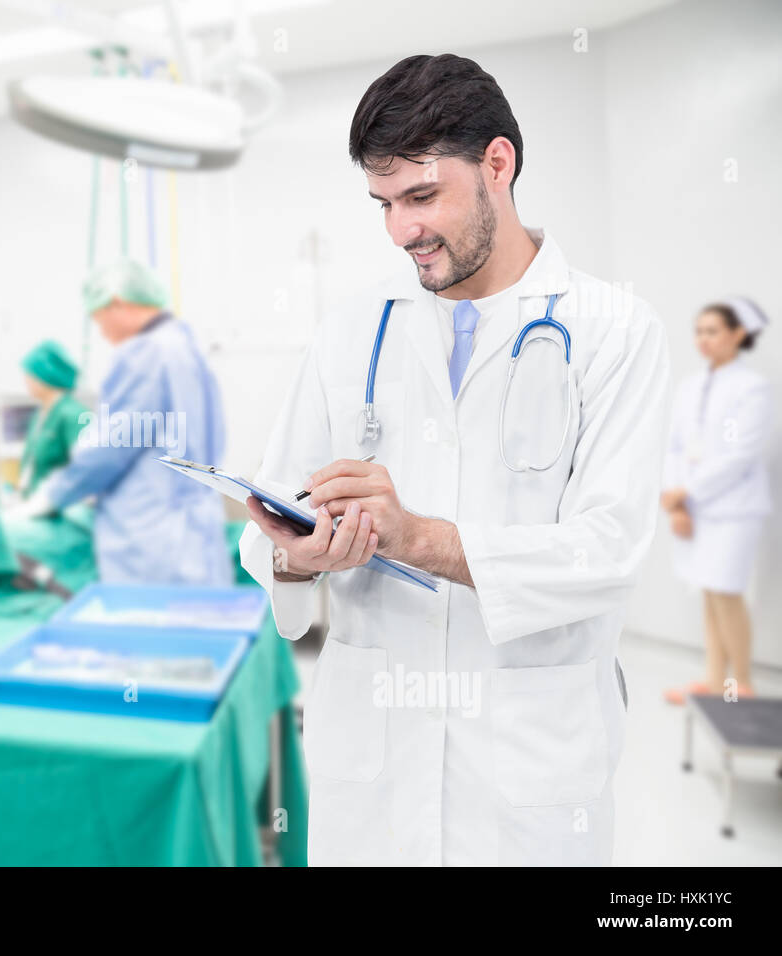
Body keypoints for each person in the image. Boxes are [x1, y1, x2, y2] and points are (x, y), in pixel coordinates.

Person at [239, 54, 670, 866]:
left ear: (497, 165)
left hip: (529, 771)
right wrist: (296, 559)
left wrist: (416, 537)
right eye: (385, 204)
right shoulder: (350, 333)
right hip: (372, 761)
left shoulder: (615, 331)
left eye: (422, 196)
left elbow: (607, 550)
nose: (402, 229)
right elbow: (273, 526)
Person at [20, 258, 231, 586]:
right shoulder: (188, 350)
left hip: (149, 533)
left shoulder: (145, 355)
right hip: (195, 525)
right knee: (193, 622)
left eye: (99, 319)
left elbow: (109, 449)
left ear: (117, 303)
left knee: (151, 627)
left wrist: (54, 494)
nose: (102, 332)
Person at [660, 299, 771, 705]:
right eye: (699, 331)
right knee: (708, 590)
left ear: (738, 334)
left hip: (734, 508)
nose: (703, 340)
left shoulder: (752, 387)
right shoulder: (690, 386)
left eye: (713, 331)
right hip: (694, 508)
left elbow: (738, 455)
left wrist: (687, 494)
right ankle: (714, 681)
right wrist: (675, 502)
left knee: (726, 591)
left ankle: (740, 683)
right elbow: (673, 446)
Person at [17, 340, 88, 497]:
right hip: (33, 503)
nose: (26, 380)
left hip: (61, 510)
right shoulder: (39, 415)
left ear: (45, 376)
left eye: (29, 375)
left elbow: (86, 470)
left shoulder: (75, 416)